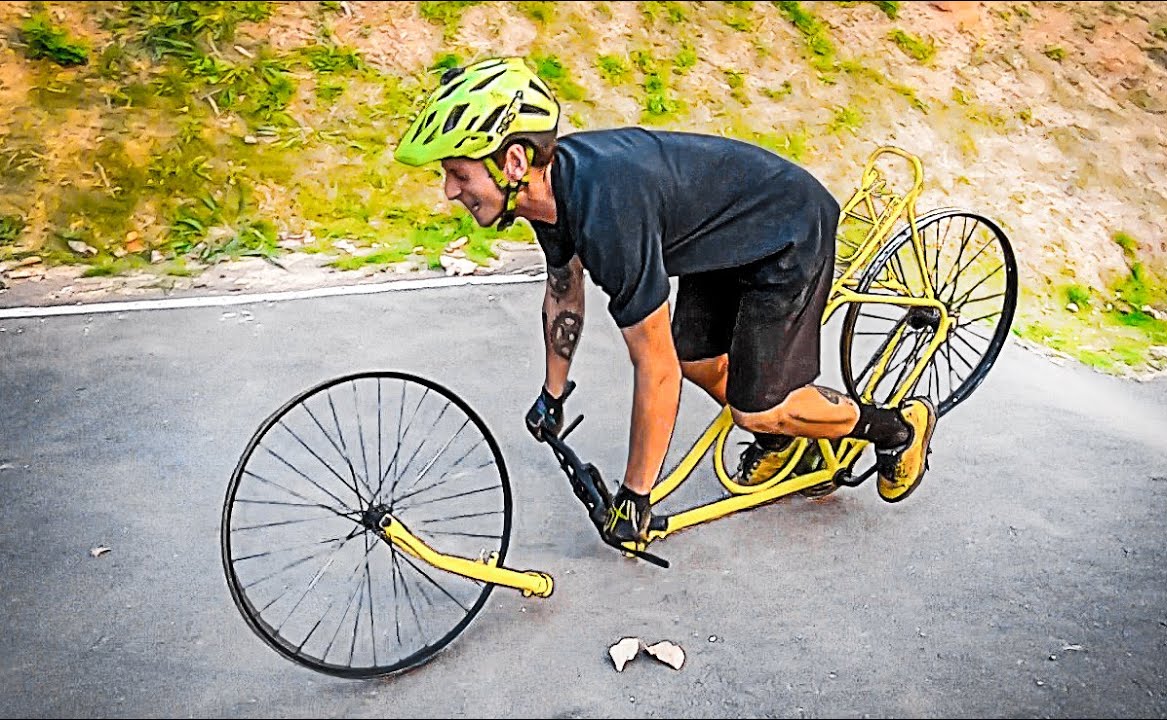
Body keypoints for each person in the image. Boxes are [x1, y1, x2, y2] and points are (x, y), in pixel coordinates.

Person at [393, 57, 937, 547]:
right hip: (722, 242)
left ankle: (896, 429)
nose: (449, 190)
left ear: (514, 162)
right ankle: (791, 439)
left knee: (758, 408)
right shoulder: (546, 196)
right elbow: (563, 291)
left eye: (459, 174)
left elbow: (656, 370)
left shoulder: (608, 215)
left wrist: (636, 495)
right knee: (698, 361)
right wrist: (552, 394)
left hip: (786, 231)